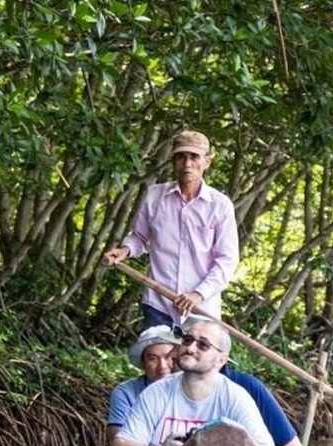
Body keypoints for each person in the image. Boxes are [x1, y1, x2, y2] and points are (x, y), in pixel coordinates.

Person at [107, 319, 275, 446]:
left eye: (203, 345)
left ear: (221, 360)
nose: (190, 348)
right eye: (187, 340)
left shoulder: (235, 396)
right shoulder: (156, 392)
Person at [102, 130, 238, 328]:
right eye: (181, 157)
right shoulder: (154, 196)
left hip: (201, 308)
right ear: (173, 161)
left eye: (194, 157)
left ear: (207, 162)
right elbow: (140, 237)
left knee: (196, 358)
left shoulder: (220, 205)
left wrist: (198, 294)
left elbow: (227, 260)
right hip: (158, 303)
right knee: (156, 358)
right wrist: (124, 250)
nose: (187, 164)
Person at [106, 325, 180, 444]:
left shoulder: (191, 389)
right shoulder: (125, 392)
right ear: (143, 363)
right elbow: (118, 442)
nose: (162, 366)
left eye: (168, 357)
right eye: (153, 359)